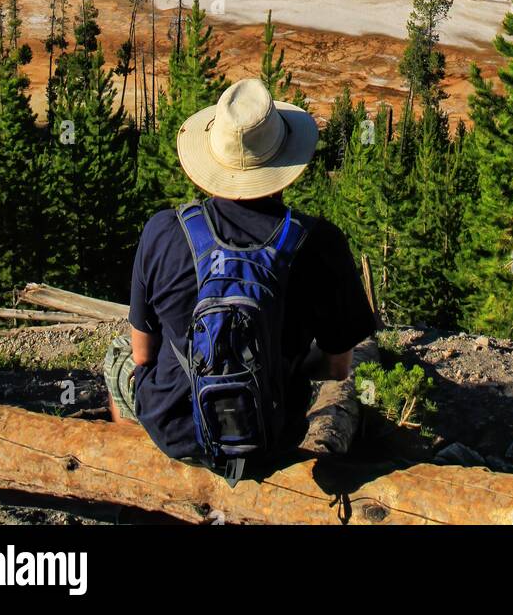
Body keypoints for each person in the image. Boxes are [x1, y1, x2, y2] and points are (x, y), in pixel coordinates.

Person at [105, 78, 375, 462]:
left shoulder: (164, 231)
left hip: (176, 432)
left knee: (118, 356)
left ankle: (134, 469)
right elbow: (336, 367)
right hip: (271, 437)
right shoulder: (320, 244)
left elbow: (143, 354)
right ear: (284, 162)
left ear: (213, 159)